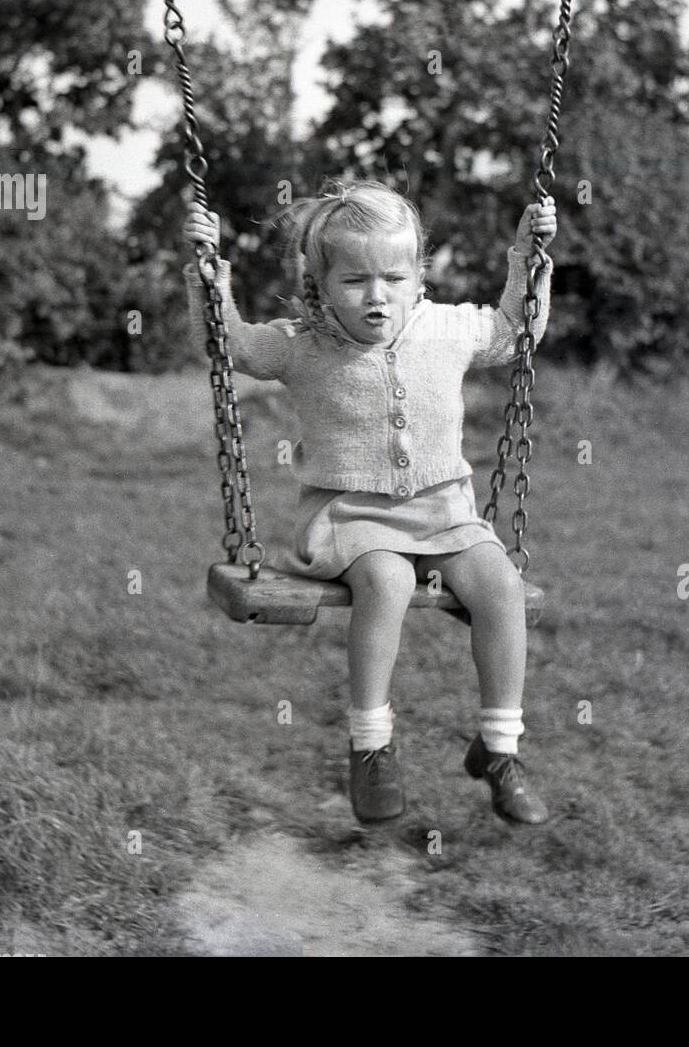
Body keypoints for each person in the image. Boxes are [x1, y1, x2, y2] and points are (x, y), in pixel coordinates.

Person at [182, 179, 556, 825]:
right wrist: (206, 274)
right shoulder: (302, 344)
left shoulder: (448, 329)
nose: (376, 295)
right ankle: (371, 746)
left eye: (393, 276)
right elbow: (228, 345)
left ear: (418, 278)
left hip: (445, 514)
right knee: (384, 580)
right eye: (353, 280)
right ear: (319, 287)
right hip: (350, 519)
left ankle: (499, 750)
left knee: (499, 582)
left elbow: (515, 331)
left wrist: (529, 258)